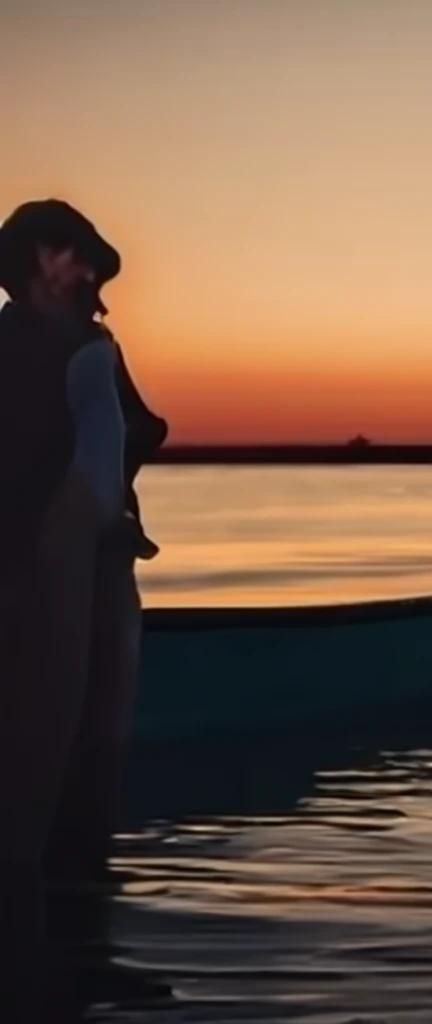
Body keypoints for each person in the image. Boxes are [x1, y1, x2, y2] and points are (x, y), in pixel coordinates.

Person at [0, 199, 167, 1020]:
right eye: (81, 260)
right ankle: (28, 963)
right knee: (35, 756)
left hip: (105, 564)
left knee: (97, 748)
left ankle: (81, 943)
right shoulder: (13, 348)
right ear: (39, 260)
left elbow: (144, 428)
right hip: (35, 567)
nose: (95, 277)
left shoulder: (96, 347)